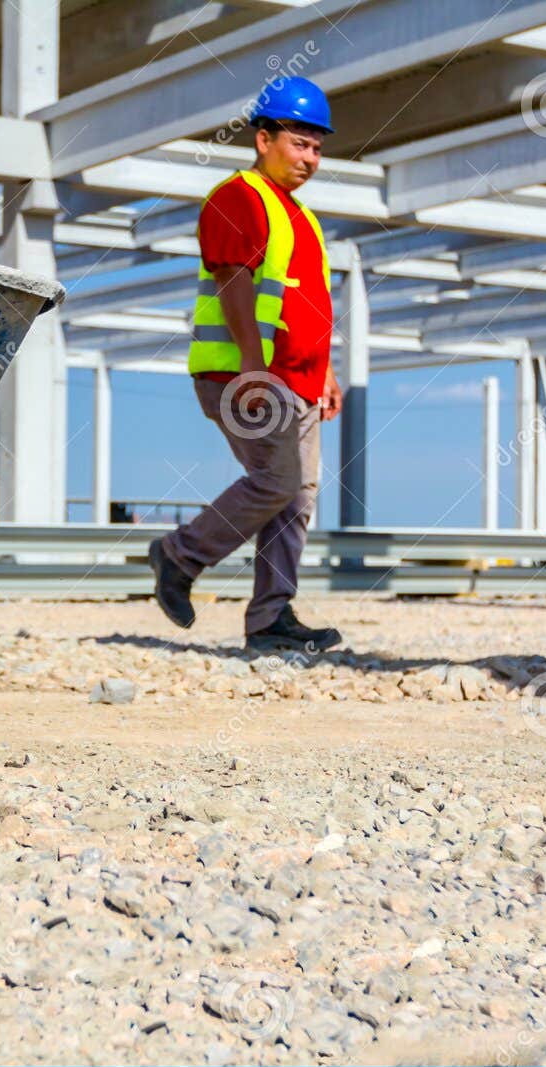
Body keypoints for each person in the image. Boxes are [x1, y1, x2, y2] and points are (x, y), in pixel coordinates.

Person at [148, 77, 344, 652]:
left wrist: (324, 373)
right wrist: (254, 370)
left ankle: (269, 619)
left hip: (299, 382)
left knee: (299, 496)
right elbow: (234, 283)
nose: (310, 157)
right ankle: (178, 555)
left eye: (317, 147)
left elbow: (304, 303)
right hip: (245, 377)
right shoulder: (237, 197)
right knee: (277, 481)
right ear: (264, 139)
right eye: (299, 143)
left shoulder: (301, 217)